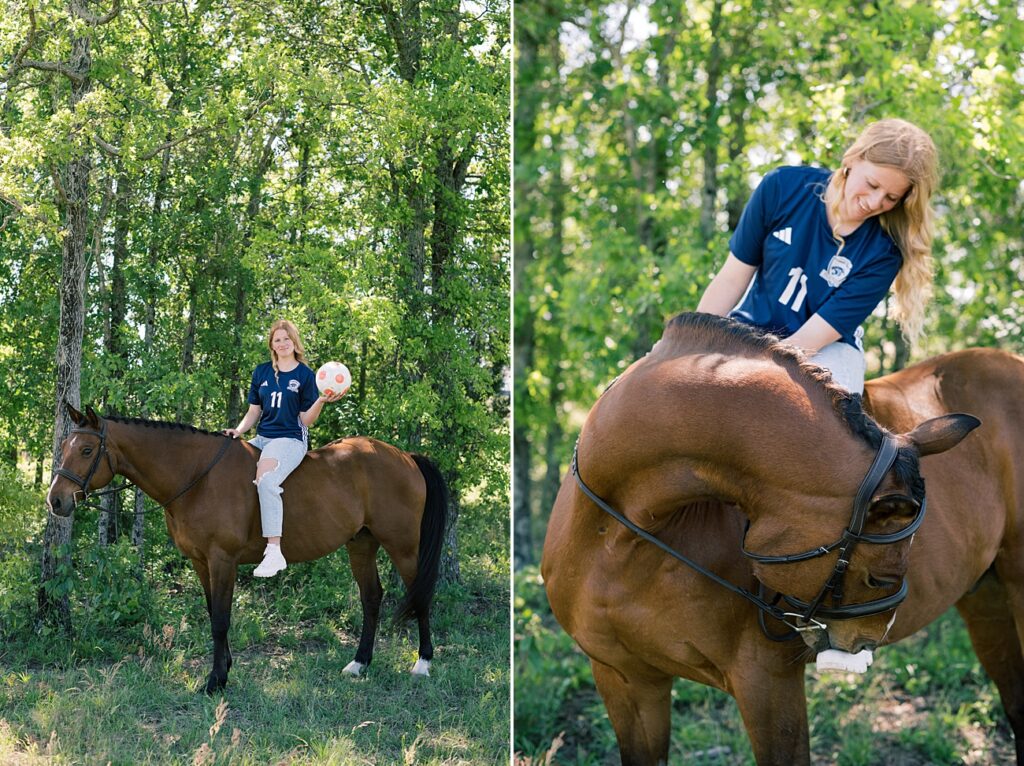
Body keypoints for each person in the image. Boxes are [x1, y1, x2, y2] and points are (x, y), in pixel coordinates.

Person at [696, 118, 938, 393]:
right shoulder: (781, 188)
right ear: (852, 159)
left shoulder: (883, 254)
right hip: (747, 330)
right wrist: (689, 342)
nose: (874, 203)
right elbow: (731, 279)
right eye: (871, 184)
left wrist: (746, 374)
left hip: (824, 352)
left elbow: (806, 342)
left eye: (891, 198)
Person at [224, 320, 345, 577]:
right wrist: (239, 431)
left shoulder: (305, 375)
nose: (282, 343)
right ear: (272, 344)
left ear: (294, 342)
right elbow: (254, 411)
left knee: (266, 481)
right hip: (263, 438)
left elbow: (305, 420)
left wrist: (321, 400)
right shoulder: (262, 372)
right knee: (226, 462)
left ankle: (274, 551)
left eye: (286, 339)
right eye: (277, 339)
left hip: (290, 440)